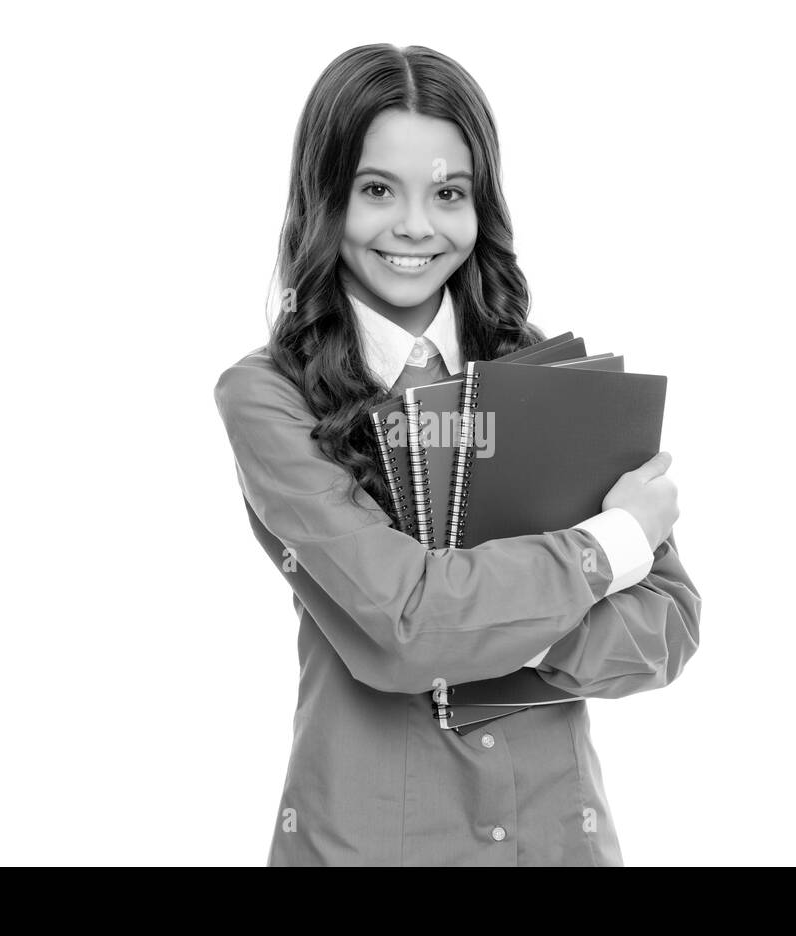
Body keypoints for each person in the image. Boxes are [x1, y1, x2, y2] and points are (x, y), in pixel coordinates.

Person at [213, 43, 701, 866]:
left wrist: (492, 622)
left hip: (555, 841)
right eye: (376, 190)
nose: (414, 226)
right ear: (323, 197)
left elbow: (669, 627)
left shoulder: (549, 372)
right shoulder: (269, 396)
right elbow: (406, 627)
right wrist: (606, 551)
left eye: (448, 193)